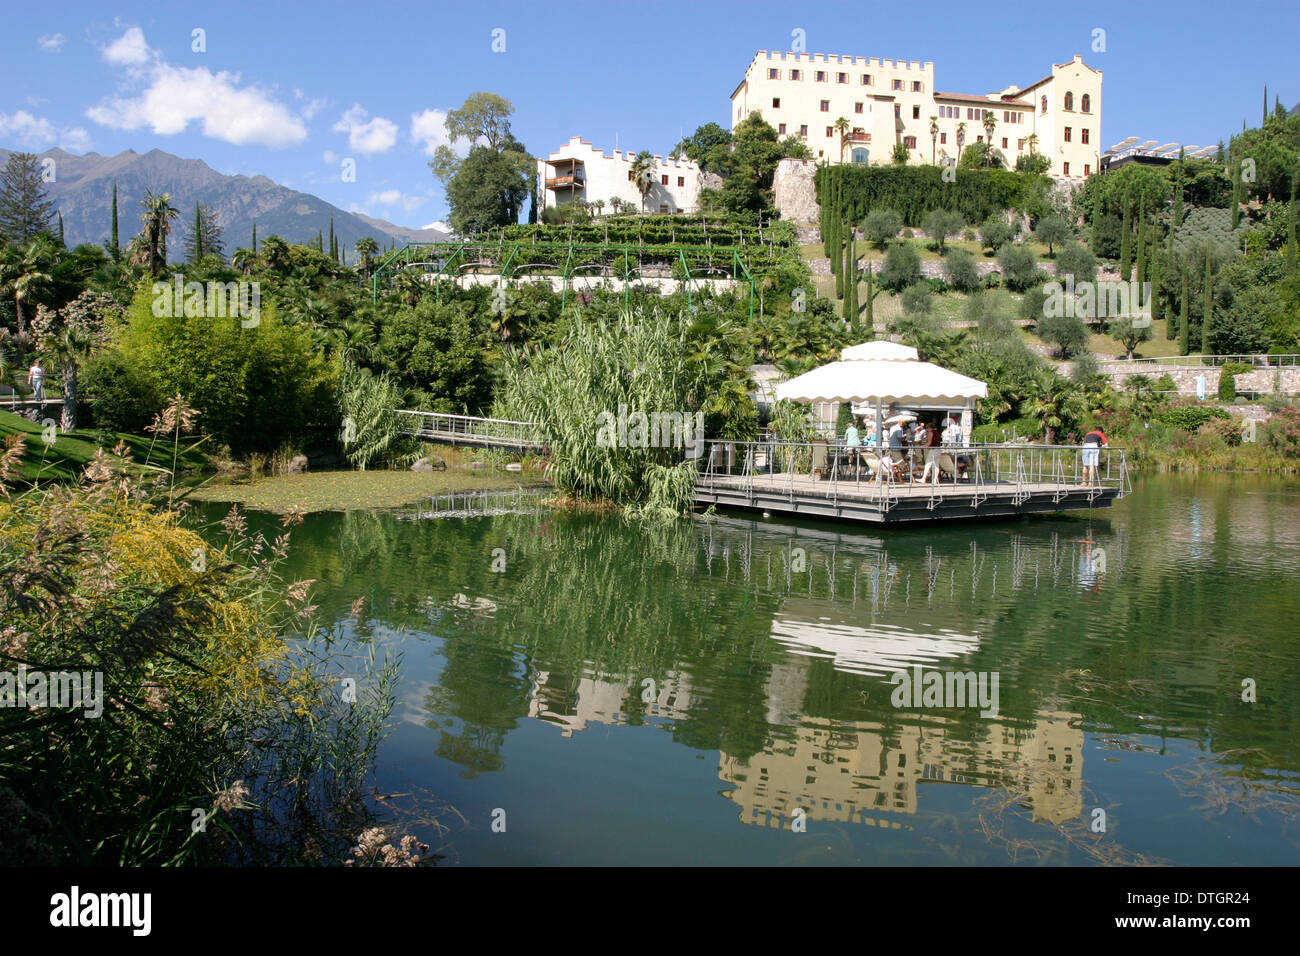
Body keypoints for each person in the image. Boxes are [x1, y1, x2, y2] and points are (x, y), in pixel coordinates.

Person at [920, 419, 942, 484]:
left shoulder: (930, 432)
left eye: (927, 428)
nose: (926, 430)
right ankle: (935, 480)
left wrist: (921, 446)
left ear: (929, 428)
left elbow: (929, 443)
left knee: (928, 464)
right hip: (938, 449)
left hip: (933, 450)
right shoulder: (937, 432)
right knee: (936, 465)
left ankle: (924, 478)